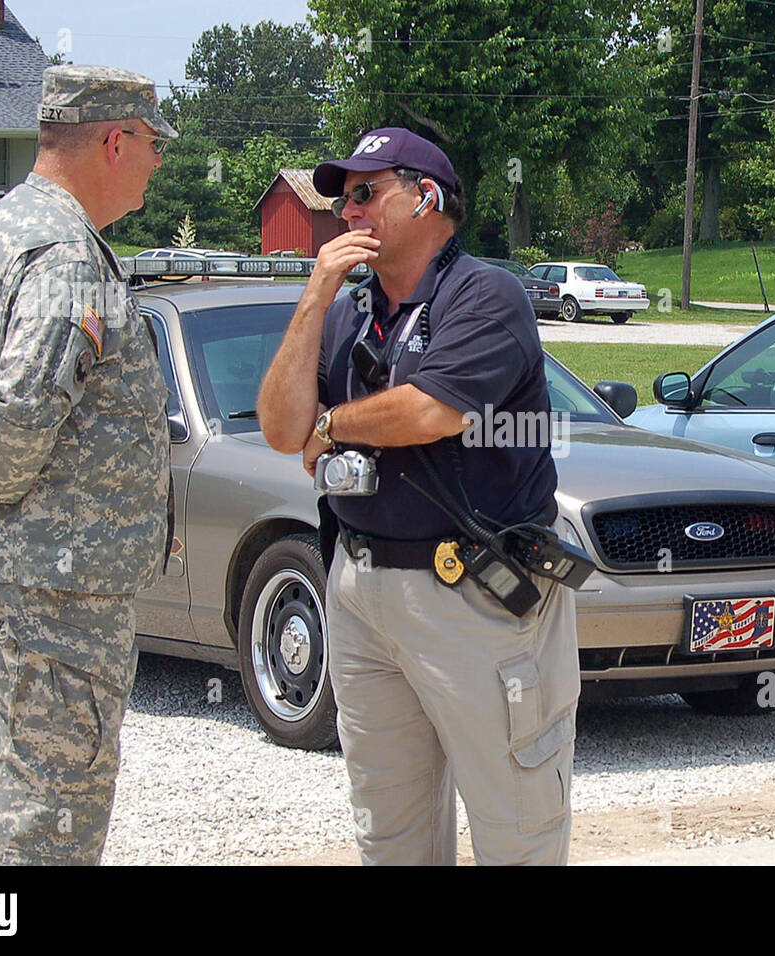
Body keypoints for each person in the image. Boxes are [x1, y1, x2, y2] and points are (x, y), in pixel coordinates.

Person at [257, 127, 579, 865]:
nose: (349, 212)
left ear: (426, 195)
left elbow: (431, 410)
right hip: (363, 589)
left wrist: (331, 424)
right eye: (342, 199)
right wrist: (314, 295)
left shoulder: (485, 295)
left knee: (516, 827)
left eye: (366, 192)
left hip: (471, 590)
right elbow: (281, 429)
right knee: (390, 830)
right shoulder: (346, 312)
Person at [0, 65, 175, 863]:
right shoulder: (65, 256)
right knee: (51, 809)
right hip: (58, 583)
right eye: (152, 144)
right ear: (114, 141)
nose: (158, 163)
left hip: (11, 572)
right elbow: (21, 411)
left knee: (4, 783)